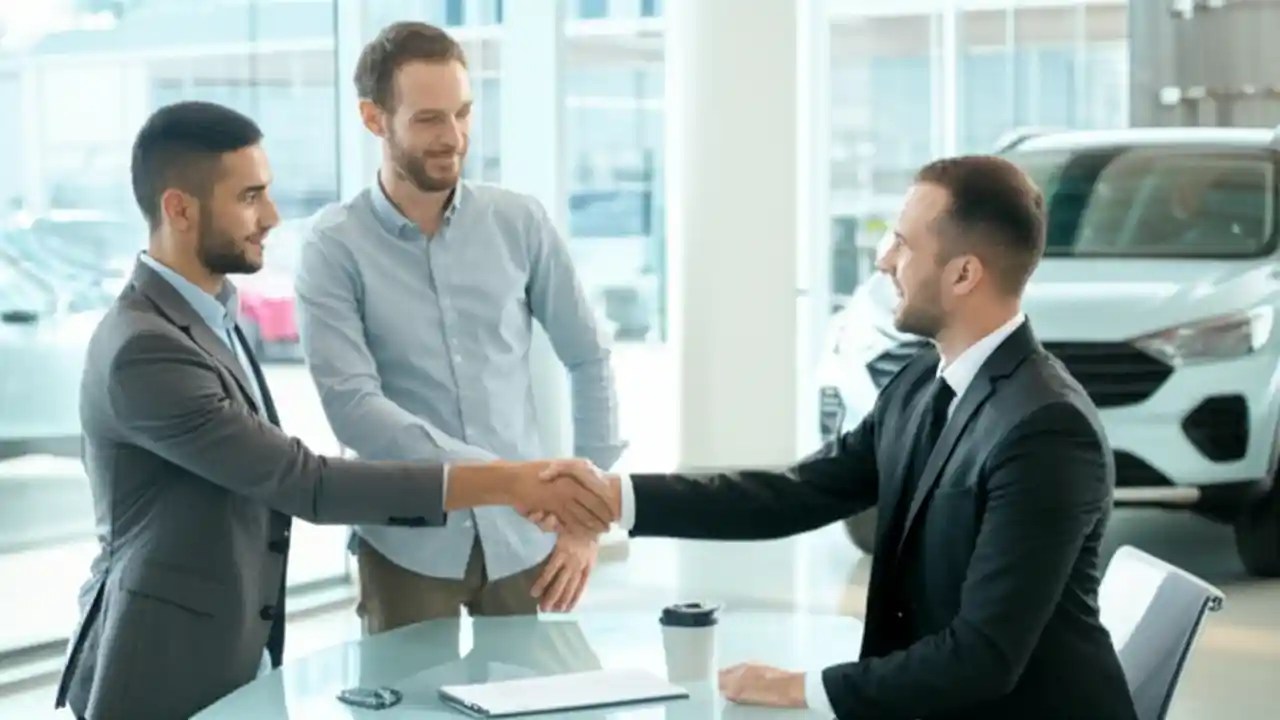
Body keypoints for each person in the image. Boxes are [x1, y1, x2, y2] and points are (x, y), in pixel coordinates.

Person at [53, 100, 612, 720]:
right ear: (180, 209)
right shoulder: (145, 349)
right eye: (250, 197)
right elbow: (306, 483)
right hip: (162, 671)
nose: (270, 216)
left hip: (231, 653)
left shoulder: (210, 314)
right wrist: (510, 478)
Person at [538, 156, 1140, 719]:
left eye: (903, 242)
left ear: (963, 274)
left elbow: (981, 660)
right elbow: (799, 491)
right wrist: (613, 497)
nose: (883, 260)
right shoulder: (921, 382)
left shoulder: (1045, 431)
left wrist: (800, 687)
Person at [294, 21, 625, 633]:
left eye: (464, 113)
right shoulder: (332, 246)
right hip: (407, 546)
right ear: (374, 118)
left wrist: (584, 515)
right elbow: (354, 407)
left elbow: (589, 356)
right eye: (427, 120)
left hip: (529, 539)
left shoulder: (518, 222)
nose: (454, 138)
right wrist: (503, 480)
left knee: (539, 700)